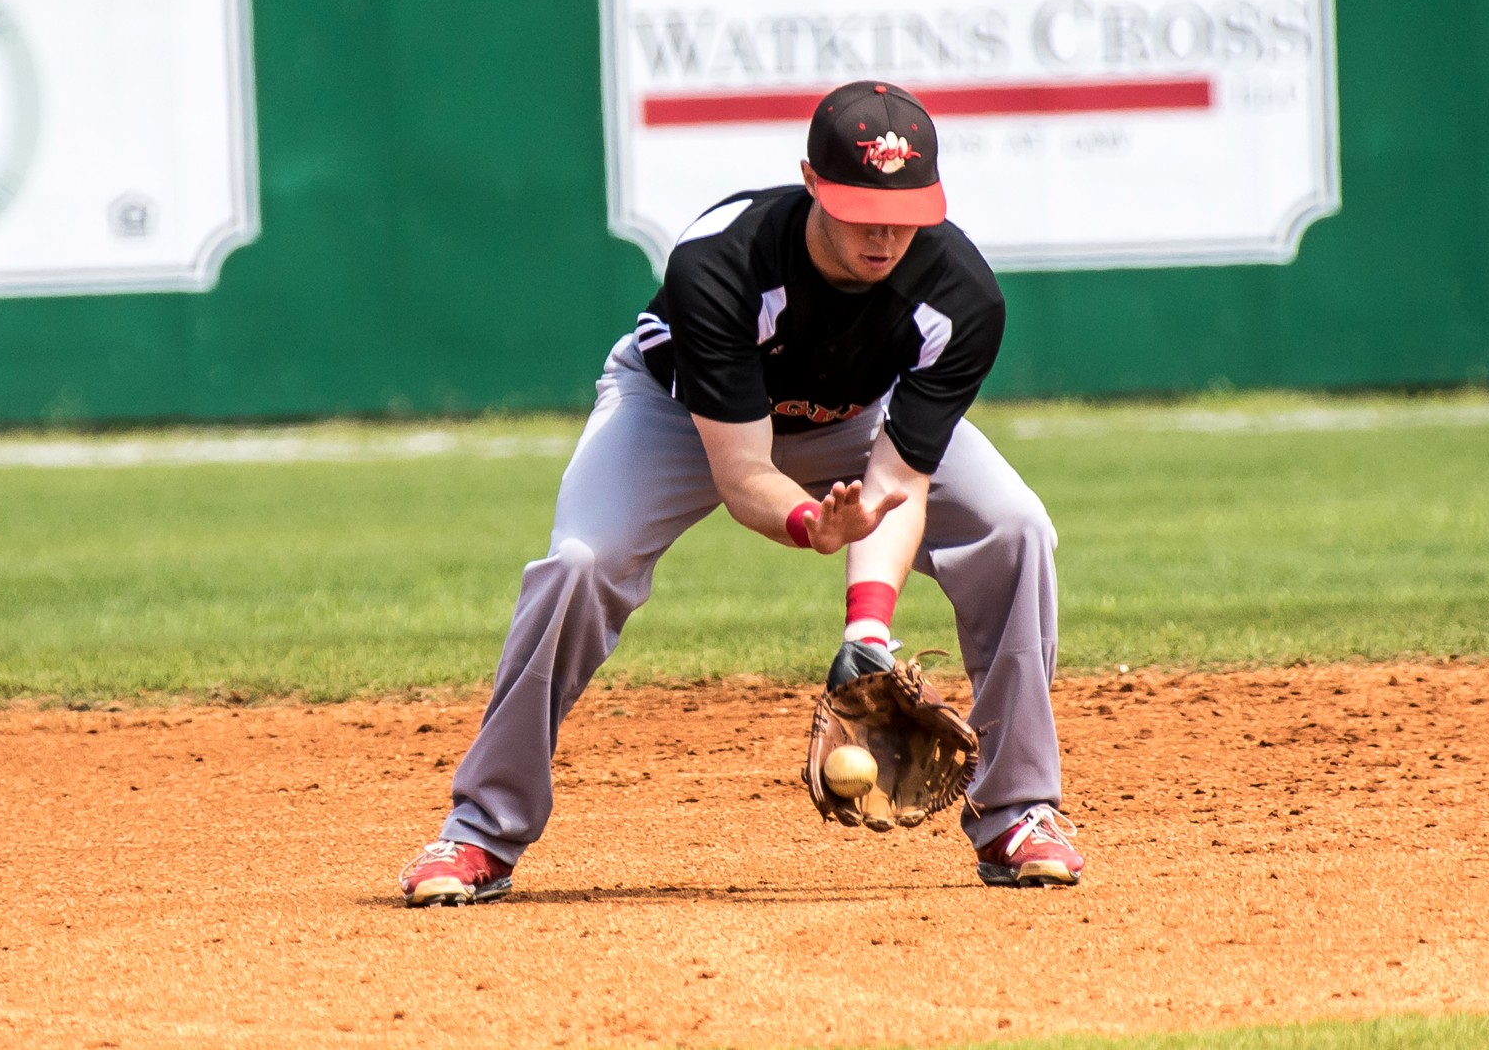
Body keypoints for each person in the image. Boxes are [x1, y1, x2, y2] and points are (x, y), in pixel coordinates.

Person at [399, 81, 1084, 905]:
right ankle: (481, 831)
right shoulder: (722, 262)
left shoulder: (961, 295)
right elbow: (741, 471)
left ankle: (1018, 813)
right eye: (861, 204)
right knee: (581, 562)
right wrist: (808, 522)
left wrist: (867, 628)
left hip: (857, 420)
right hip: (679, 415)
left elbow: (899, 481)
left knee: (1016, 529)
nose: (884, 229)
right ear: (810, 181)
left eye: (905, 207)